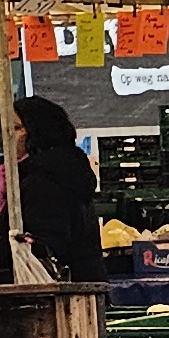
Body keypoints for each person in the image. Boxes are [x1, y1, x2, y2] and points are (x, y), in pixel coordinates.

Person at [7, 96, 108, 284]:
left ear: (38, 133)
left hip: (65, 298)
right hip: (81, 291)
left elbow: (44, 245)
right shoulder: (60, 170)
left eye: (17, 128)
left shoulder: (46, 180)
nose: (8, 136)